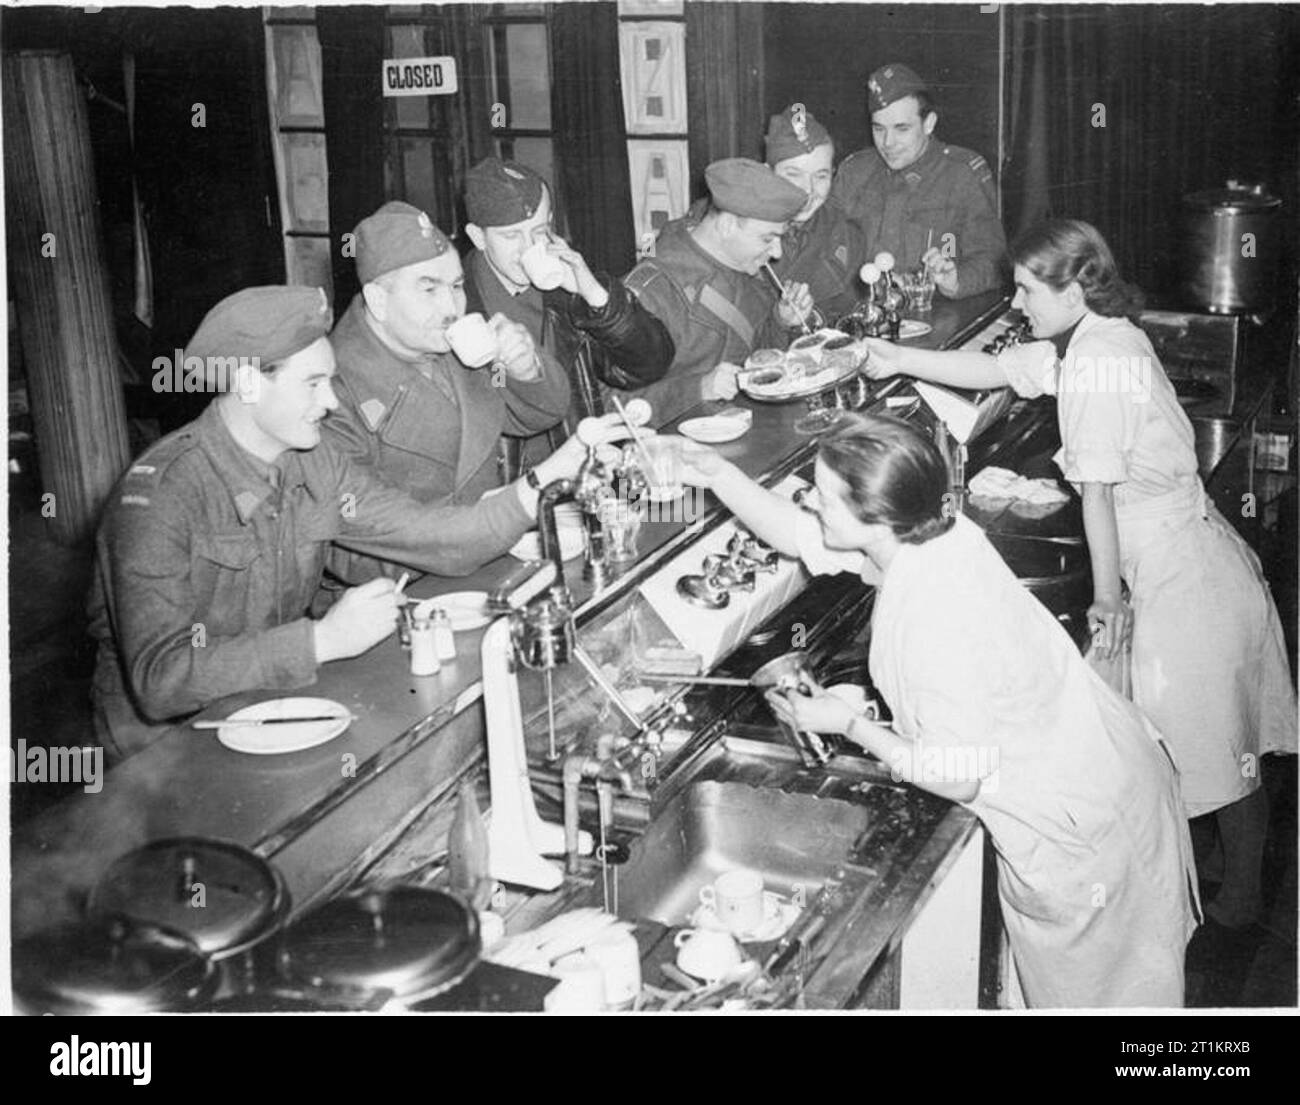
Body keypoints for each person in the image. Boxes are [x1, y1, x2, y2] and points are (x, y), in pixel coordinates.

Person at [676, 413, 1200, 1007]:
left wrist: (852, 723)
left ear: (874, 515)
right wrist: (715, 472)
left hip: (1083, 830)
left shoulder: (929, 617)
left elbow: (958, 772)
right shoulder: (935, 532)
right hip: (1110, 768)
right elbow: (801, 533)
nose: (812, 504)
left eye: (823, 496)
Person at [863, 218, 1296, 930]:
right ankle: (1223, 877)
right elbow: (999, 371)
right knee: (1215, 734)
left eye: (1030, 289)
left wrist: (1106, 603)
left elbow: (1097, 490)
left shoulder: (1099, 358)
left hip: (1180, 568)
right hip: (1171, 554)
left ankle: (1238, 903)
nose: (1018, 302)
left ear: (1075, 286)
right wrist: (896, 356)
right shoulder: (1091, 341)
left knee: (1218, 738)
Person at [88, 285, 593, 763]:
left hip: (266, 705)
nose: (330, 402)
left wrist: (542, 481)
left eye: (329, 380)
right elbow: (161, 678)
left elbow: (425, 532)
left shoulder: (313, 459)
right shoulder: (159, 496)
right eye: (312, 383)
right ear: (246, 384)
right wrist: (321, 641)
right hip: (160, 747)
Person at [322, 200, 572, 585]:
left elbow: (539, 417)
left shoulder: (450, 340)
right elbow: (352, 548)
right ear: (378, 300)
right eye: (429, 289)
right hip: (398, 590)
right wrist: (504, 514)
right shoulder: (329, 390)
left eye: (456, 286)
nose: (451, 307)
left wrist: (523, 369)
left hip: (490, 551)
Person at [462, 157, 674, 445]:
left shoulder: (566, 289)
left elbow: (649, 366)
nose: (528, 248)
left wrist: (595, 297)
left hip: (583, 467)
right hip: (508, 480)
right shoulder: (458, 308)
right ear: (478, 237)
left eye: (538, 232)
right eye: (511, 235)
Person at [622, 157, 812, 425]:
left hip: (745, 428)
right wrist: (698, 389)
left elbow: (755, 356)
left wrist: (780, 322)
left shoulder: (744, 266)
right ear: (726, 225)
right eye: (767, 239)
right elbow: (612, 406)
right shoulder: (653, 291)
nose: (777, 253)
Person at [830, 62, 1007, 299]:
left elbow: (994, 261)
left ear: (929, 123)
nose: (888, 143)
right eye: (879, 129)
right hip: (861, 315)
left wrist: (955, 281)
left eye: (901, 129)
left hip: (933, 320)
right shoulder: (854, 172)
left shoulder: (962, 174)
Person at [765, 103, 865, 322]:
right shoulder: (741, 231)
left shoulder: (844, 233)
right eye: (794, 174)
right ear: (767, 173)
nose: (809, 190)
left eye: (821, 176)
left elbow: (849, 311)